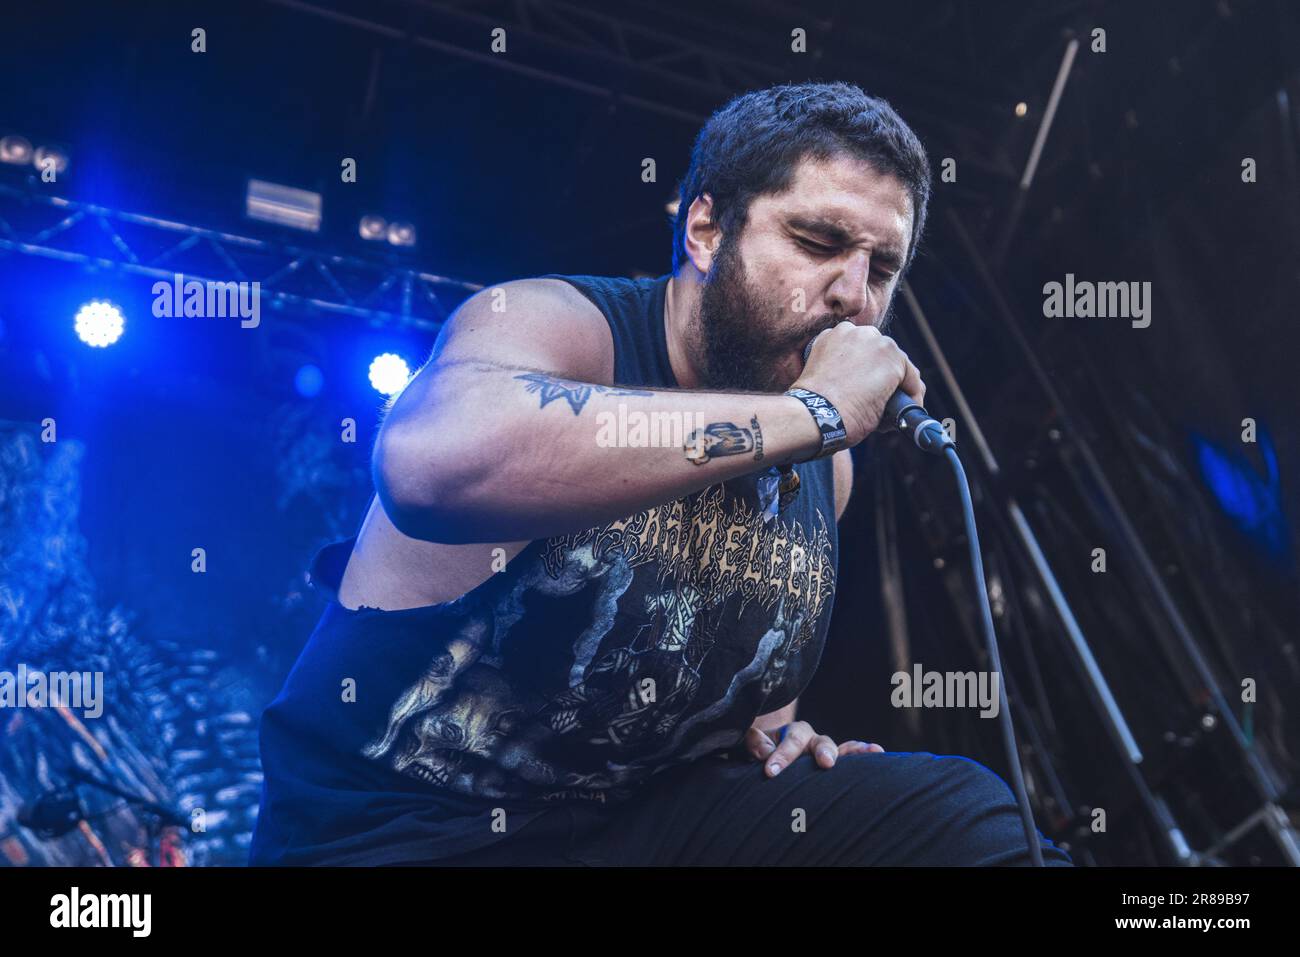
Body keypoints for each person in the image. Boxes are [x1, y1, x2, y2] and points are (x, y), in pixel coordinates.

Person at [249, 80, 1072, 867]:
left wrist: (786, 748)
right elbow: (429, 466)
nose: (854, 296)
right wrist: (815, 412)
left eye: (881, 268)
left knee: (957, 820)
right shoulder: (568, 329)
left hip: (631, 833)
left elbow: (746, 720)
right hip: (402, 835)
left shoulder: (828, 473)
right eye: (818, 243)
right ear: (707, 229)